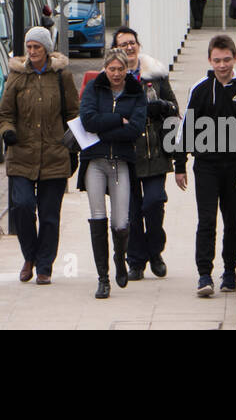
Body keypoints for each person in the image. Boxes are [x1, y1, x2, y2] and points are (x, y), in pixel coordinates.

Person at [175, 34, 236, 297]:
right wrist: (179, 164)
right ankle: (204, 274)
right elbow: (187, 128)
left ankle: (230, 271)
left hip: (233, 166)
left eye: (227, 59)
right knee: (206, 220)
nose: (222, 65)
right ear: (209, 60)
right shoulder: (201, 89)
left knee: (233, 221)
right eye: (217, 60)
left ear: (235, 58)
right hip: (205, 166)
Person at [0, 25, 78, 285]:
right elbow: (4, 114)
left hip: (54, 154)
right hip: (22, 154)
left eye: (37, 47)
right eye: (29, 47)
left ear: (47, 49)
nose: (32, 52)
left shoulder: (61, 77)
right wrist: (7, 131)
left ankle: (44, 266)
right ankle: (28, 256)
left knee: (50, 214)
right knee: (22, 206)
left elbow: (73, 115)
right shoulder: (17, 76)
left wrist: (73, 147)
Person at [111, 26, 180, 281]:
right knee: (131, 211)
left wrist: (161, 108)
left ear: (138, 45)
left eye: (132, 43)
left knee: (153, 203)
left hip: (155, 153)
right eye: (122, 45)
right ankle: (136, 261)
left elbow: (174, 109)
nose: (129, 47)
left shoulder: (156, 74)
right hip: (125, 155)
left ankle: (156, 251)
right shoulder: (111, 79)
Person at [78, 47, 146, 299]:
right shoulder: (94, 88)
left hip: (121, 161)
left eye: (121, 69)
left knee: (120, 222)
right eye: (111, 69)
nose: (116, 74)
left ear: (127, 69)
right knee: (97, 217)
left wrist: (104, 127)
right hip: (95, 160)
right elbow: (88, 121)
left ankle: (120, 257)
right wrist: (118, 120)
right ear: (105, 68)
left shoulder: (136, 91)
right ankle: (103, 278)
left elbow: (136, 128)